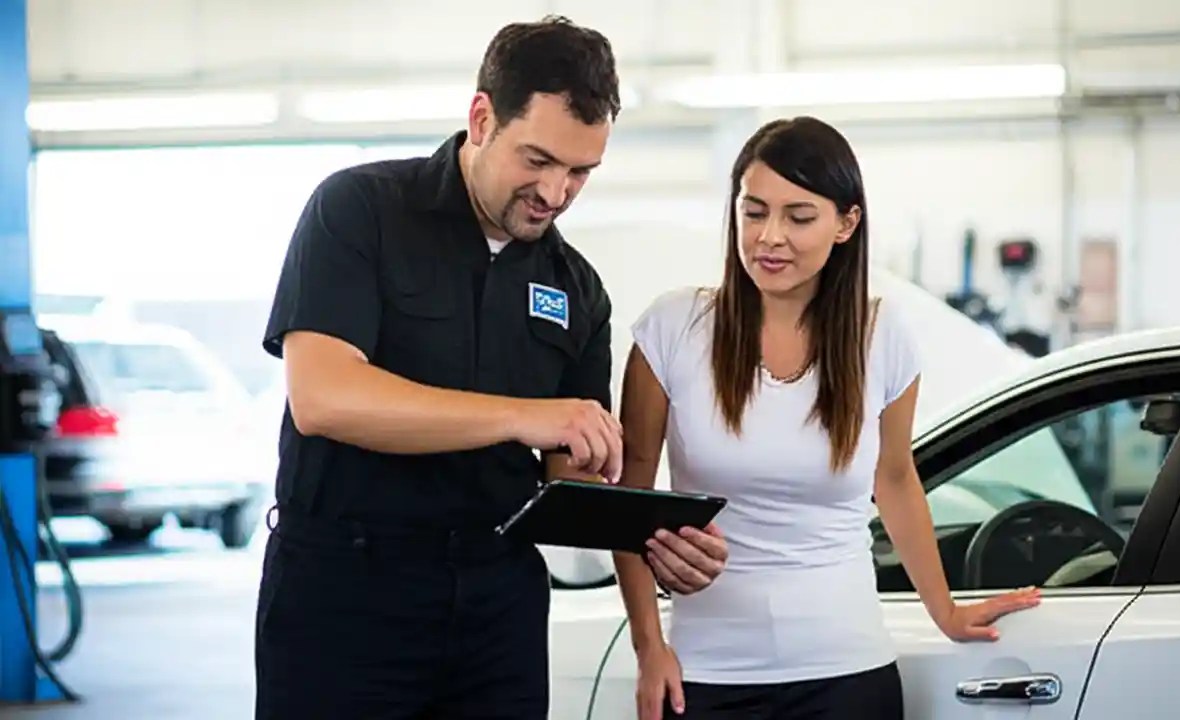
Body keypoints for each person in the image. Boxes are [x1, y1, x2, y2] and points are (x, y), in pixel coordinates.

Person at [253, 16, 728, 720]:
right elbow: (323, 397)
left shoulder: (577, 290)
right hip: (345, 593)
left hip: (496, 605)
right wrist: (524, 415)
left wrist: (655, 534)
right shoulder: (359, 211)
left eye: (580, 172)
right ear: (482, 117)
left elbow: (570, 473)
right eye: (538, 159)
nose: (557, 192)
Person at [613, 116, 1043, 720]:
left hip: (846, 674)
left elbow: (894, 479)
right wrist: (649, 647)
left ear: (846, 223)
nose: (770, 237)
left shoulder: (880, 335)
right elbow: (629, 497)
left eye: (799, 216)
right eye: (754, 211)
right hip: (707, 673)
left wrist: (943, 610)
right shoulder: (673, 328)